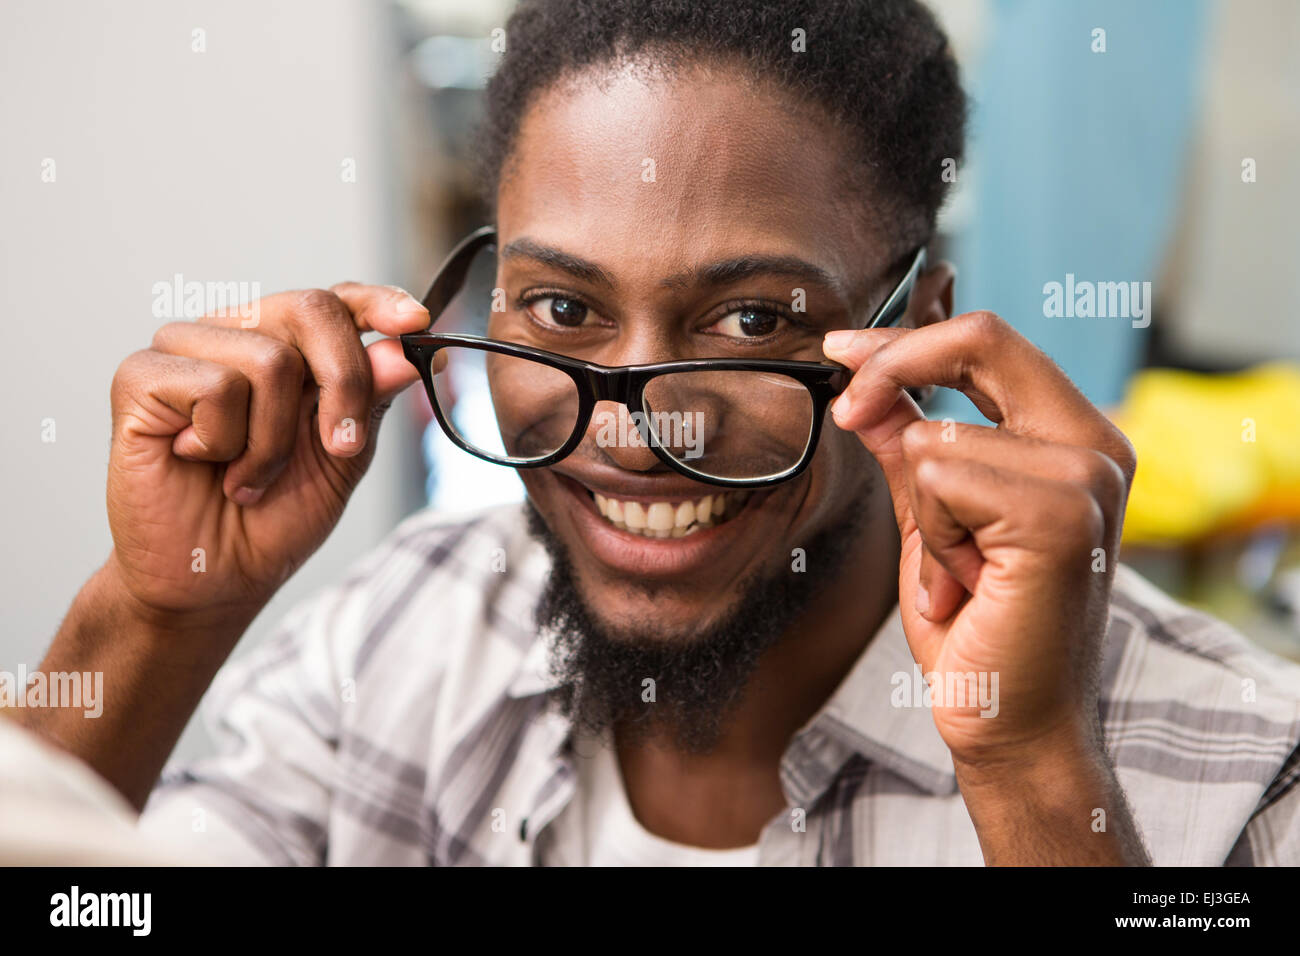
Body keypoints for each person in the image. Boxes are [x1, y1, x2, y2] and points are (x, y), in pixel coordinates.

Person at [12, 0, 1300, 866]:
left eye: (748, 321)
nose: (635, 426)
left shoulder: (1240, 764)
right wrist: (154, 614)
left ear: (926, 328)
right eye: (563, 306)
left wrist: (1028, 768)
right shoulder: (404, 638)